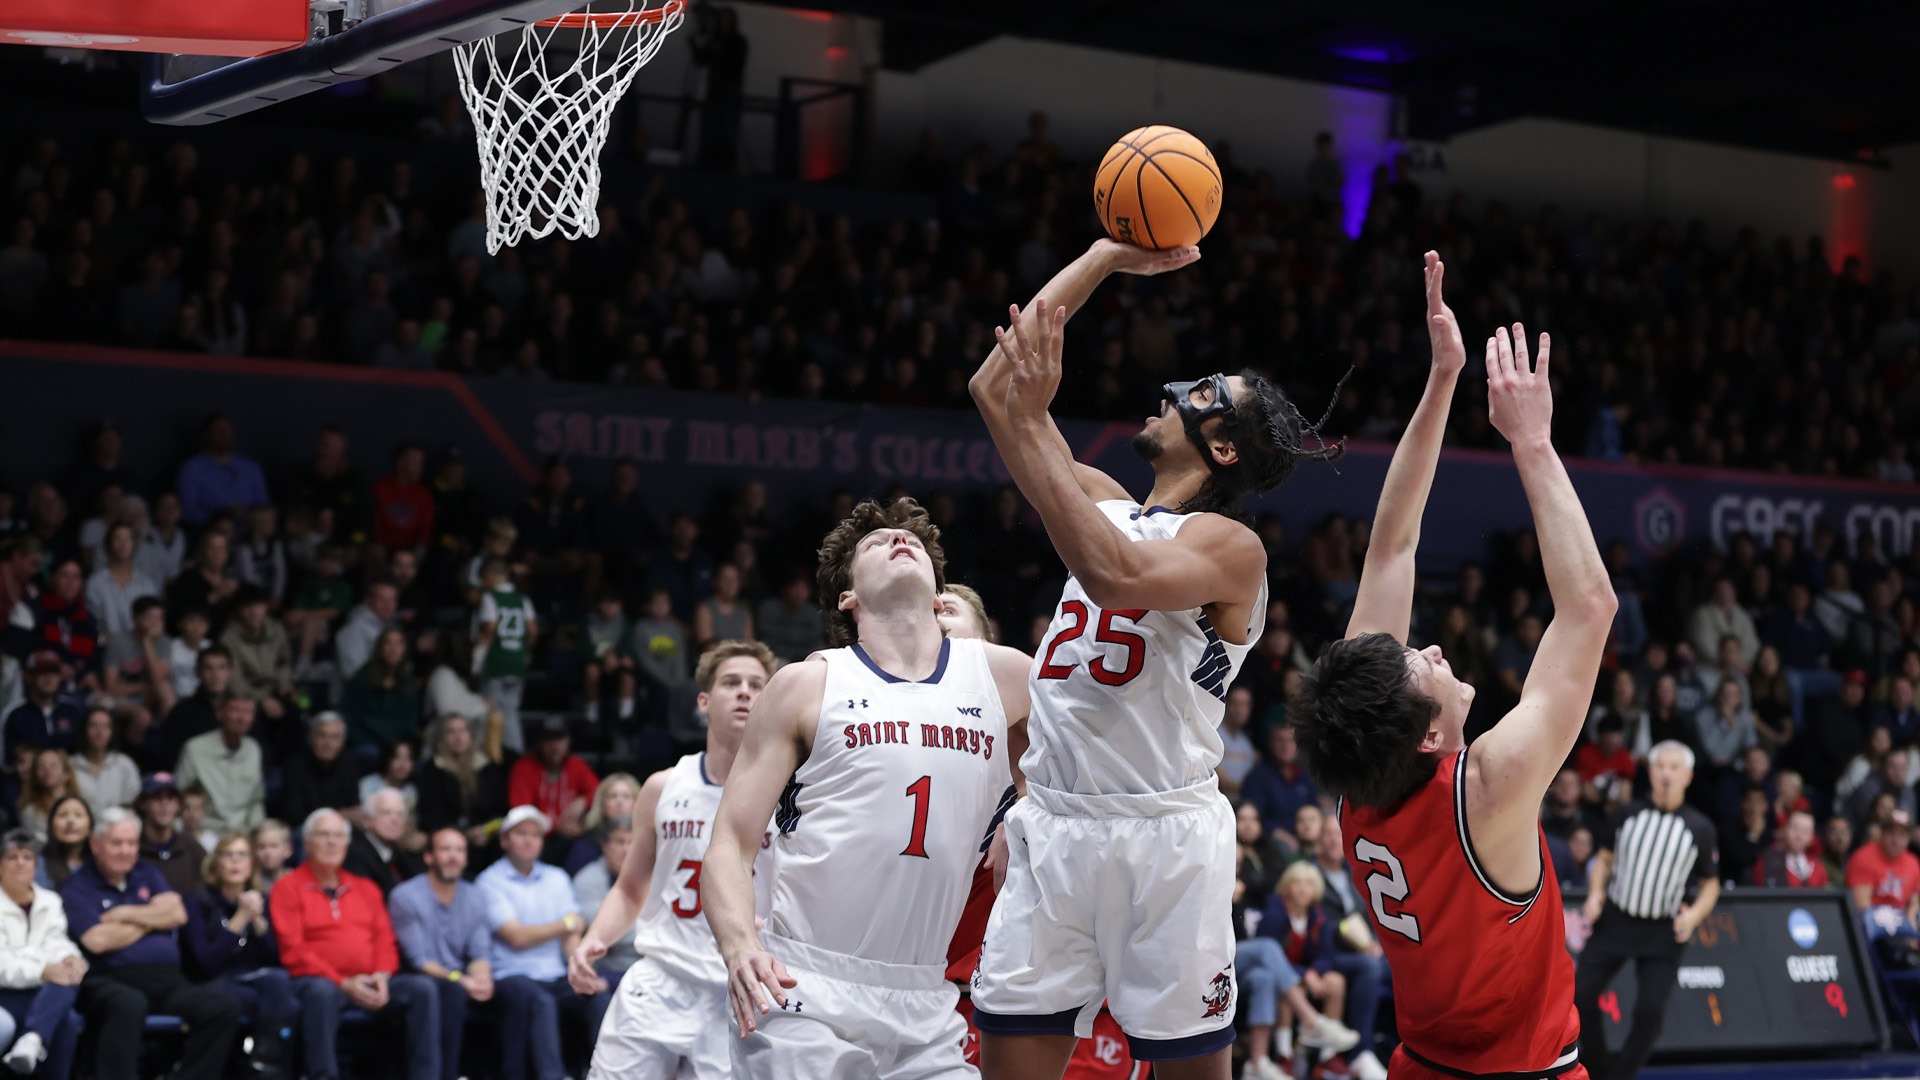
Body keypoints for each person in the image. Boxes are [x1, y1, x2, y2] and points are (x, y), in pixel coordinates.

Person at [968, 236, 1335, 1078]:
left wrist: (1037, 427)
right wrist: (1101, 260)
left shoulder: (1231, 548)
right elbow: (994, 388)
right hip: (1054, 826)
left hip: (1162, 840)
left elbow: (1114, 575)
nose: (1172, 389)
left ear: (1226, 449)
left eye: (1201, 393)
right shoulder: (1105, 505)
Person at [1291, 296, 1616, 1079]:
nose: (1432, 649)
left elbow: (1393, 547)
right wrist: (1532, 442)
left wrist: (1442, 381)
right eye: (1423, 666)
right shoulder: (1489, 788)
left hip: (1421, 1065)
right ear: (1430, 738)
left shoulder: (1356, 771)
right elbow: (1589, 606)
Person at [707, 498, 1031, 1079]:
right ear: (847, 598)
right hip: (805, 986)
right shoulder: (806, 684)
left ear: (939, 592)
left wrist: (1026, 813)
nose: (896, 541)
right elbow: (730, 841)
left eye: (910, 540)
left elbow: (1085, 755)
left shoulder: (1005, 675)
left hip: (925, 998)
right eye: (874, 543)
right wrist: (737, 947)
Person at [570, 640, 781, 1080]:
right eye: (731, 683)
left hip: (739, 988)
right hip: (662, 979)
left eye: (756, 685)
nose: (744, 692)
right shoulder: (663, 787)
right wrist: (597, 937)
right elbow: (631, 887)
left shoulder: (789, 797)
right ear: (703, 702)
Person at [60, 808, 241, 1080]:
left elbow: (177, 913)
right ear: (96, 844)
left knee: (223, 1006)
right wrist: (153, 918)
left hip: (166, 981)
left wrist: (124, 915)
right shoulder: (77, 886)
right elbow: (97, 941)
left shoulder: (146, 872)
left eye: (132, 843)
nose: (126, 851)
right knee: (129, 1003)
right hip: (108, 980)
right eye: (116, 843)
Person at [1578, 742, 1721, 1080]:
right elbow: (1605, 861)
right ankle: (1599, 1071)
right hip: (1616, 920)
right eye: (1661, 766)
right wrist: (1595, 893)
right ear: (1651, 772)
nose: (1667, 773)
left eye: (1674, 767)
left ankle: (1622, 1076)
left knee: (1650, 1013)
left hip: (1663, 931)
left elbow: (1711, 884)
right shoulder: (1626, 815)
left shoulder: (1700, 828)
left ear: (1687, 776)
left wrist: (1693, 916)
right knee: (1579, 995)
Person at [272, 807, 441, 1080]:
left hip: (370, 981)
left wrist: (382, 976)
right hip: (320, 981)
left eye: (338, 836)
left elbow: (385, 940)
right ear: (307, 842)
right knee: (321, 992)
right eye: (323, 835)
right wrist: (342, 982)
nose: (331, 842)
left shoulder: (365, 888)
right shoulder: (287, 887)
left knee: (422, 989)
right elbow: (294, 951)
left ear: (348, 844)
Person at [478, 805, 596, 1080]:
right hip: (510, 974)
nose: (530, 840)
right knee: (540, 1001)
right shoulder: (489, 881)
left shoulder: (558, 877)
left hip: (555, 971)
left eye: (536, 834)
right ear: (504, 840)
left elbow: (572, 936)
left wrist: (580, 969)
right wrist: (566, 923)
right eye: (521, 833)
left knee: (597, 994)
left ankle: (604, 1074)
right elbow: (517, 937)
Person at [183, 832, 297, 1078]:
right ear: (216, 863)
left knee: (279, 981)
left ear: (251, 864)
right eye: (228, 855)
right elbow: (205, 963)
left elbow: (274, 958)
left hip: (251, 980)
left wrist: (257, 921)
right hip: (211, 983)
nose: (235, 862)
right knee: (278, 1002)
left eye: (242, 855)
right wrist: (240, 919)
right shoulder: (197, 902)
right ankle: (261, 1065)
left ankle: (265, 1062)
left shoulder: (261, 901)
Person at [390, 828, 497, 1080]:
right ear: (429, 857)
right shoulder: (405, 896)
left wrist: (482, 976)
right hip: (419, 979)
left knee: (515, 991)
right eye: (446, 850)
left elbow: (480, 951)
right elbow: (419, 961)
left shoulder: (475, 895)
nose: (453, 857)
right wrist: (461, 980)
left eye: (460, 850)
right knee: (449, 993)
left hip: (460, 978)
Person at [0, 828, 83, 1079]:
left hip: (42, 989)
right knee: (64, 1020)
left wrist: (70, 958)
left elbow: (56, 940)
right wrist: (42, 970)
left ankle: (33, 1039)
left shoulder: (50, 901)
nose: (20, 863)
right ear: (0, 864)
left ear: (37, 866)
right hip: (6, 991)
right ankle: (34, 1037)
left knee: (70, 975)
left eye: (27, 857)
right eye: (13, 857)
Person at [174, 694, 266, 834]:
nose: (241, 718)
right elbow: (179, 796)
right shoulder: (195, 748)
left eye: (248, 712)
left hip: (242, 834)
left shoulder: (253, 749)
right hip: (205, 830)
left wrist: (257, 834)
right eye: (235, 710)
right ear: (220, 713)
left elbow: (256, 802)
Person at [474, 556, 538, 753]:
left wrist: (476, 661)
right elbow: (533, 629)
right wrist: (525, 651)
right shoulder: (522, 599)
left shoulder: (490, 597)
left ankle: (492, 755)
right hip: (516, 662)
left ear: (491, 575)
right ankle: (515, 753)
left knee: (490, 712)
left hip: (496, 662)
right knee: (511, 713)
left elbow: (489, 628)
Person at [507, 718, 599, 854]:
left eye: (559, 739)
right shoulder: (524, 768)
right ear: (539, 742)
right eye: (548, 740)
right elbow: (521, 812)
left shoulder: (576, 765)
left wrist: (584, 801)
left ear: (568, 741)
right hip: (539, 840)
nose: (555, 746)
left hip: (574, 836)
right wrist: (555, 825)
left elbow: (601, 792)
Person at [415, 714, 508, 845]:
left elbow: (499, 811)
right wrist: (461, 833)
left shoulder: (487, 767)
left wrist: (485, 831)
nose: (458, 737)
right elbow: (430, 813)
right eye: (451, 731)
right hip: (445, 836)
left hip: (485, 836)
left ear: (471, 735)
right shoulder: (433, 769)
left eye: (463, 730)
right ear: (442, 737)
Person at [343, 786, 426, 897]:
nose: (395, 819)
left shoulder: (400, 853)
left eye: (400, 814)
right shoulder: (354, 854)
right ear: (367, 820)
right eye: (386, 813)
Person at [132, 773, 206, 895]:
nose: (164, 804)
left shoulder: (191, 847)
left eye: (170, 798)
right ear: (143, 804)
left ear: (178, 805)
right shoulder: (131, 849)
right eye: (157, 797)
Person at [1847, 808, 1920, 924]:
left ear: (1909, 838)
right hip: (1871, 927)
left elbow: (1914, 904)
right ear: (1881, 833)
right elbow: (1862, 908)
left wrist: (1912, 931)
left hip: (1900, 926)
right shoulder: (1864, 857)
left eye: (1902, 834)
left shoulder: (1913, 863)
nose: (1896, 840)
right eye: (1891, 832)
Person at [69, 706, 139, 814]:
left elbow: (132, 803)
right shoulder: (70, 765)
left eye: (106, 726)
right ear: (84, 730)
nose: (99, 732)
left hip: (118, 827)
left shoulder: (124, 764)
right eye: (93, 726)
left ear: (113, 732)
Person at [1755, 811, 1828, 887]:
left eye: (1805, 831)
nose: (1799, 836)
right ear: (1784, 830)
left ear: (1812, 838)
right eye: (1794, 828)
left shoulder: (1817, 867)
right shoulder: (1768, 860)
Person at [36, 796, 90, 888]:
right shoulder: (38, 866)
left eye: (78, 815)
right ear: (51, 824)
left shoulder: (102, 864)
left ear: (90, 825)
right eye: (63, 815)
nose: (70, 821)